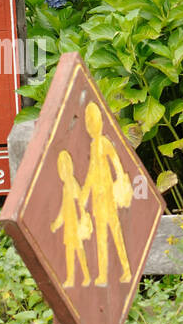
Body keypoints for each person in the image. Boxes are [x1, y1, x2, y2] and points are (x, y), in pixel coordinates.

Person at [80, 101, 133, 285]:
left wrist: (120, 181)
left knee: (116, 232)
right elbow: (90, 173)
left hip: (108, 195)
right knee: (100, 236)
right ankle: (103, 274)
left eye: (92, 121)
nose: (90, 125)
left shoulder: (103, 142)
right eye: (88, 121)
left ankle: (126, 269)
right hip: (97, 198)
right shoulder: (94, 145)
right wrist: (84, 195)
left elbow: (117, 163)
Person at [51, 149, 92, 287]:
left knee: (79, 250)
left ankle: (86, 276)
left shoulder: (72, 183)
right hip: (69, 223)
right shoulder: (66, 186)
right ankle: (71, 277)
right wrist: (57, 223)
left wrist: (82, 220)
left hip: (75, 223)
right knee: (70, 250)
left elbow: (79, 202)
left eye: (64, 167)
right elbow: (64, 208)